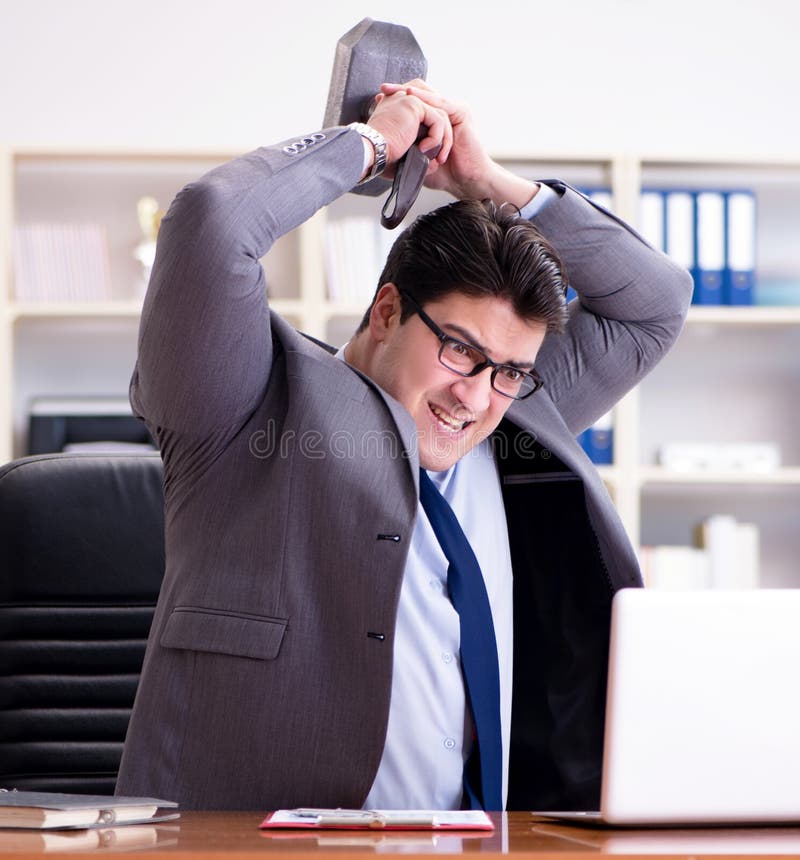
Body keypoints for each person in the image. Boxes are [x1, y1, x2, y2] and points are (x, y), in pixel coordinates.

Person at [116, 81, 692, 812]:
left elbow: (656, 304)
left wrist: (487, 183)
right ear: (387, 312)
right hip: (254, 850)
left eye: (509, 371)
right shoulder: (244, 401)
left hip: (483, 840)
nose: (476, 397)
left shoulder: (512, 418)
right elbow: (210, 222)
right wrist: (371, 145)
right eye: (459, 351)